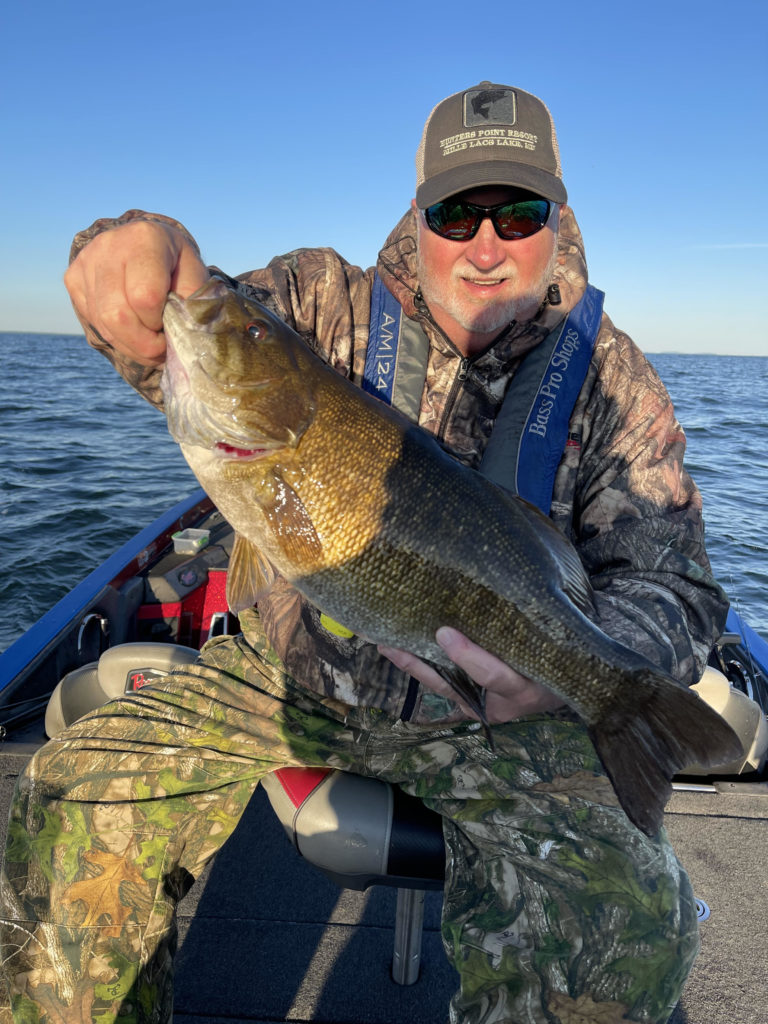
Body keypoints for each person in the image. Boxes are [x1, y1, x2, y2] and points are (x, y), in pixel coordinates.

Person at [0, 82, 727, 1024]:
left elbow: (678, 586)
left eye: (518, 209)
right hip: (285, 678)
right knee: (67, 797)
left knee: (631, 921)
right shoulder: (313, 303)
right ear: (417, 212)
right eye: (457, 209)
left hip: (494, 724)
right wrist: (131, 262)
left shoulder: (612, 382)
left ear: (557, 218)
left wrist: (567, 675)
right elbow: (175, 334)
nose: (486, 239)